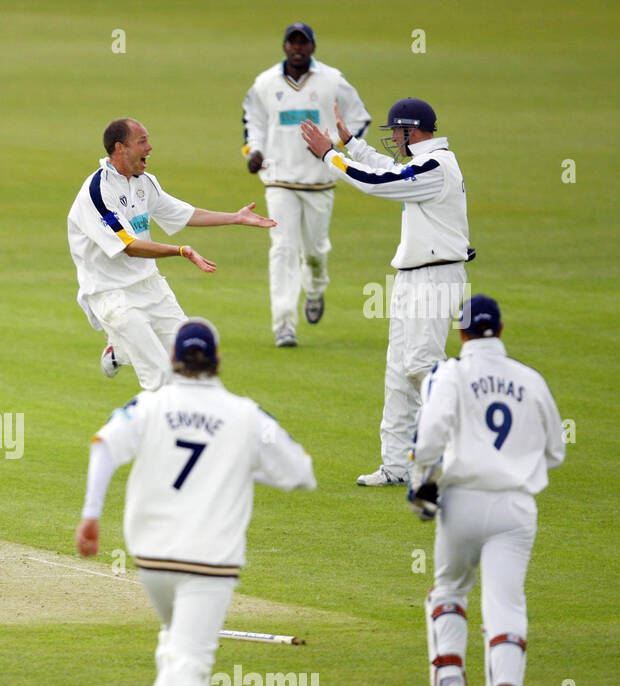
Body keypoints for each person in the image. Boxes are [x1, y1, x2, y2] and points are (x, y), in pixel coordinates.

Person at [75, 320, 315, 686]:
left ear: (175, 361)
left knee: (176, 648)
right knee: (191, 658)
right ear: (219, 361)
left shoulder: (151, 404)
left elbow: (102, 444)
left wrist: (91, 515)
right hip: (210, 561)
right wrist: (244, 464)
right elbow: (300, 471)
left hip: (152, 559)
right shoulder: (244, 414)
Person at [409, 296, 564, 686]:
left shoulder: (449, 373)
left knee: (449, 591)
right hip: (517, 507)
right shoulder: (530, 378)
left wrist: (421, 482)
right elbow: (554, 450)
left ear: (460, 334)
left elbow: (431, 431)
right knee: (506, 609)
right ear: (499, 329)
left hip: (462, 500)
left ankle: (450, 682)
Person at [301, 98, 471, 486]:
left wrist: (329, 156)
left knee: (421, 366)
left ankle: (465, 437)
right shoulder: (424, 164)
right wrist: (352, 145)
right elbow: (393, 170)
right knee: (398, 373)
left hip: (436, 276)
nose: (394, 138)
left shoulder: (438, 165)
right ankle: (396, 466)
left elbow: (379, 183)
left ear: (415, 130)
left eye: (398, 131)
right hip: (412, 275)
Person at [67, 118, 275, 390]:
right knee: (162, 377)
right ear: (120, 148)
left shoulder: (144, 182)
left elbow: (185, 213)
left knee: (193, 363)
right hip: (111, 294)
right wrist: (179, 251)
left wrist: (235, 217)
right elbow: (129, 246)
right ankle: (128, 361)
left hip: (150, 286)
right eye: (142, 142)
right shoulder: (97, 192)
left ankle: (120, 350)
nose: (150, 147)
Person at [242, 22, 371, 346]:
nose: (297, 48)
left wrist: (334, 150)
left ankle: (315, 289)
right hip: (279, 180)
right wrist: (253, 151)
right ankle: (284, 324)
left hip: (319, 181)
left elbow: (358, 119)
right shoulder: (265, 83)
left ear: (312, 47)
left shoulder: (333, 80)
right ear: (284, 46)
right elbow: (253, 122)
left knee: (314, 252)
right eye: (292, 43)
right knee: (283, 249)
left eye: (303, 43)